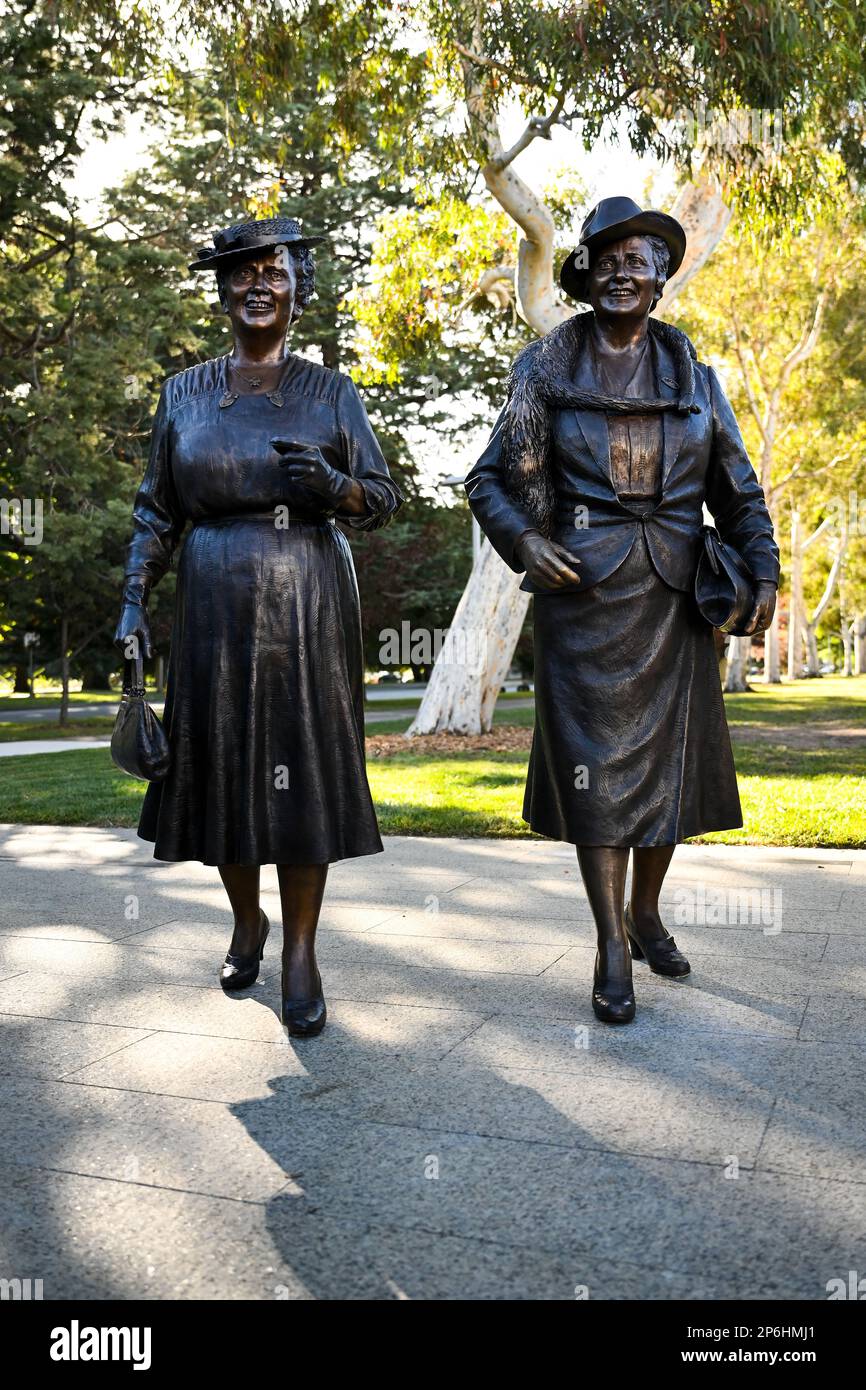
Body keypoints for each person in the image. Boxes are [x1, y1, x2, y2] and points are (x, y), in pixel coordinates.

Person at [465, 196, 779, 1025]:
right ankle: (610, 941)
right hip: (583, 598)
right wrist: (526, 543)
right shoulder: (546, 371)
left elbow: (738, 491)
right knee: (597, 778)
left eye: (636, 260)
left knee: (667, 775)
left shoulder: (695, 378)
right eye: (606, 259)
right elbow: (487, 480)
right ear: (585, 275)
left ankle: (645, 912)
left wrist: (766, 573)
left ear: (659, 278)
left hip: (676, 597)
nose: (620, 272)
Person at [114, 216, 403, 1036]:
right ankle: (248, 921)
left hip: (308, 599)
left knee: (302, 772)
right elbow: (154, 511)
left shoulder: (331, 393)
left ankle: (302, 950)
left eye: (274, 272)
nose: (257, 285)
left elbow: (383, 498)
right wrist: (133, 598)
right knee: (221, 768)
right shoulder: (183, 394)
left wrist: (336, 488)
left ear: (297, 292)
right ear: (222, 291)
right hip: (212, 599)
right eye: (242, 272)